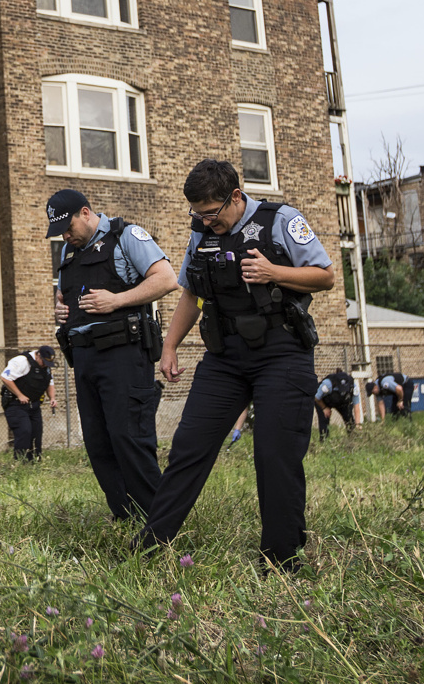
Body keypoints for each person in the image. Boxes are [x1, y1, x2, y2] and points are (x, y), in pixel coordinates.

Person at [134, 159, 334, 571]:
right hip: (225, 357)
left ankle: (282, 559)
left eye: (212, 213)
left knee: (274, 455)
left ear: (236, 197)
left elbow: (325, 275)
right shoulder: (201, 235)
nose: (206, 222)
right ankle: (151, 545)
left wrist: (272, 271)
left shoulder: (280, 219)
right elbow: (189, 292)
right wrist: (169, 346)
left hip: (282, 351)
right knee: (189, 446)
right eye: (197, 214)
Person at [47, 189, 178, 519]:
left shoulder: (127, 236)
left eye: (69, 226)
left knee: (129, 438)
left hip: (123, 353)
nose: (65, 235)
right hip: (84, 356)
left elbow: (166, 280)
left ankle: (158, 522)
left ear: (86, 213)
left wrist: (117, 301)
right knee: (98, 441)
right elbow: (66, 296)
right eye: (60, 231)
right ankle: (125, 516)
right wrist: (61, 312)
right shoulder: (69, 250)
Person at [0, 345, 57, 461]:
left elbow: (49, 382)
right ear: (38, 355)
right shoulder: (21, 361)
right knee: (24, 431)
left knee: (36, 434)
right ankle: (21, 462)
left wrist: (52, 398)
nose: (45, 365)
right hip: (15, 404)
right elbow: (5, 378)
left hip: (34, 405)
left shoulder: (45, 367)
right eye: (44, 362)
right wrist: (20, 395)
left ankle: (35, 461)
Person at [313, 370, 360, 441]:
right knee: (324, 421)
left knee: (350, 421)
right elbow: (316, 398)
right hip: (323, 401)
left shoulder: (353, 386)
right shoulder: (328, 384)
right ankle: (324, 441)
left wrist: (358, 424)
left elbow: (357, 407)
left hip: (342, 402)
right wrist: (324, 408)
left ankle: (353, 440)